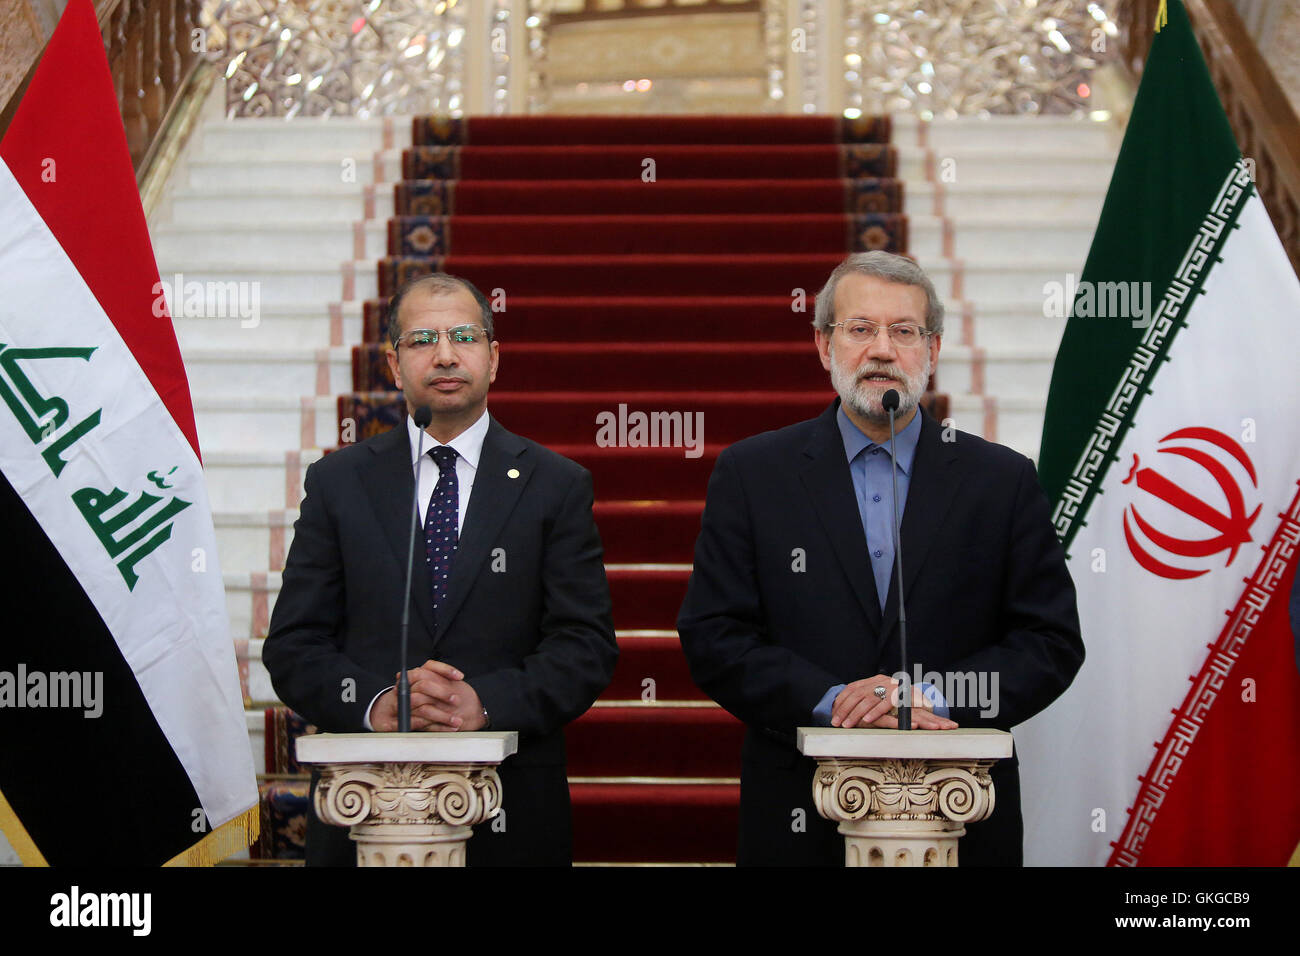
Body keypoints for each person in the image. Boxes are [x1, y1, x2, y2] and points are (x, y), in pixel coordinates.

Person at [676, 251, 1084, 866]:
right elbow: (714, 635)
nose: (883, 350)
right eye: (860, 329)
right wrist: (832, 698)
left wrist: (937, 697)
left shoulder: (1001, 480)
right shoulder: (754, 474)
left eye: (904, 331)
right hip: (798, 806)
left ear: (934, 348)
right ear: (824, 345)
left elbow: (1050, 641)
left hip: (961, 810)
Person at [263, 272, 618, 866]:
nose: (447, 355)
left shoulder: (555, 485)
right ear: (393, 364)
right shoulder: (339, 482)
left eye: (464, 336)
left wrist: (482, 703)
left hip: (511, 804)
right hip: (364, 808)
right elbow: (294, 645)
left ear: (494, 357)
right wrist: (374, 701)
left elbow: (585, 646)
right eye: (423, 339)